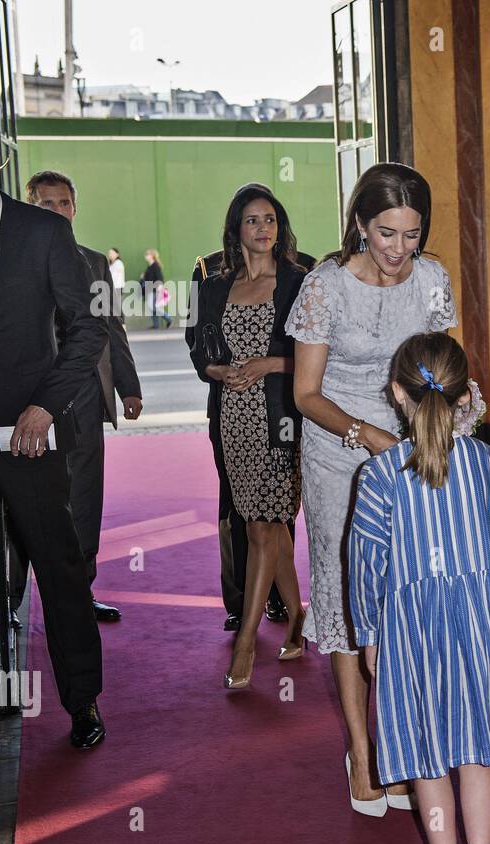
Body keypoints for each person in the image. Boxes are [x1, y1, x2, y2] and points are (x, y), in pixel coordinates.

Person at [288, 162, 457, 813]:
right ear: (361, 224)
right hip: (338, 453)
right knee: (349, 600)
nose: (399, 249)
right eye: (386, 233)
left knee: (406, 602)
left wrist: (443, 430)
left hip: (412, 455)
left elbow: (441, 375)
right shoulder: (326, 287)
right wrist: (368, 434)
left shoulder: (433, 280)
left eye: (412, 235)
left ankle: (402, 745)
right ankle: (362, 752)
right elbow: (306, 393)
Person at [0, 105, 106, 749]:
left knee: (58, 567)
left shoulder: (41, 232)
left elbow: (87, 326)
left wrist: (45, 407)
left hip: (26, 428)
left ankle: (83, 701)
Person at [349, 332, 490, 844]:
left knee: (427, 760)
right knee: (476, 757)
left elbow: (367, 568)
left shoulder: (379, 475)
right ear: (464, 396)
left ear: (397, 396)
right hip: (482, 628)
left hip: (412, 633)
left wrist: (370, 636)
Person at [7, 169, 143, 626]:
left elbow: (110, 329)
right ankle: (12, 600)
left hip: (84, 393)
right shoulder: (11, 259)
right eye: (47, 204)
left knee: (84, 499)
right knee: (27, 497)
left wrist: (128, 385)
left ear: (74, 209)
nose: (58, 211)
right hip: (29, 398)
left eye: (64, 203)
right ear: (30, 208)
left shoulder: (95, 263)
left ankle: (80, 597)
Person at [190, 184, 306, 687]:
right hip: (233, 420)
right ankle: (299, 618)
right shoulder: (214, 285)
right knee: (270, 526)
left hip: (282, 420)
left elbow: (320, 354)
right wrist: (220, 372)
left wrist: (267, 365)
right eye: (253, 221)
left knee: (263, 525)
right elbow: (198, 351)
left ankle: (245, 645)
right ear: (236, 230)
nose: (264, 229)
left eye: (271, 220)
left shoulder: (300, 281)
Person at [142, 248, 168, 328]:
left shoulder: (155, 266)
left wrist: (160, 286)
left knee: (153, 307)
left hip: (155, 289)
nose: (146, 256)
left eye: (148, 254)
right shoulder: (149, 267)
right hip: (149, 289)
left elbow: (160, 277)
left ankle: (168, 318)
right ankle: (156, 325)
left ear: (152, 256)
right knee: (151, 307)